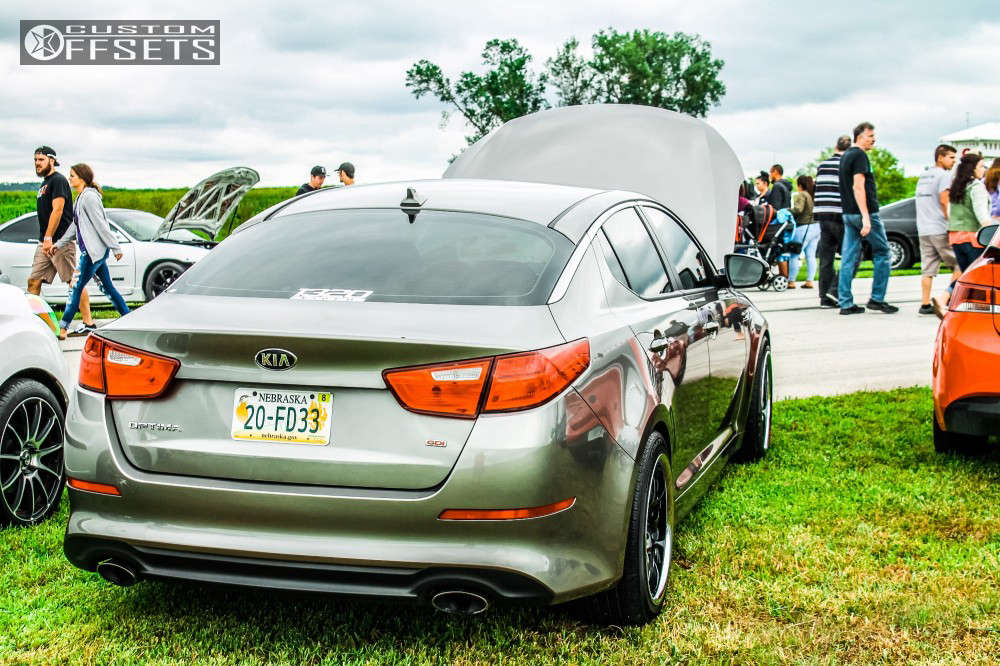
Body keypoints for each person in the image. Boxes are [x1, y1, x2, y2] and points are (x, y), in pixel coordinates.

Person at [55, 164, 130, 340]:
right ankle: (129, 318)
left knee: (75, 287)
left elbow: (101, 224)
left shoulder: (89, 198)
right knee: (108, 288)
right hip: (93, 252)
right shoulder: (81, 197)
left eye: (72, 175)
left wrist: (115, 247)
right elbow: (75, 226)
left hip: (91, 254)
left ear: (82, 178)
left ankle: (63, 327)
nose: (69, 178)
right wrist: (58, 244)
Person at [29, 146, 97, 335]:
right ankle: (33, 323)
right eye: (35, 160)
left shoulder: (58, 180)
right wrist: (45, 239)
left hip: (59, 241)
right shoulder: (45, 183)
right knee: (34, 281)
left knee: (73, 281)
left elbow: (58, 209)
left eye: (41, 160)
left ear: (51, 160)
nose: (37, 163)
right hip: (45, 242)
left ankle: (88, 323)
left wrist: (49, 237)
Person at [838, 121, 897, 315]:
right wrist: (866, 217)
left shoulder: (845, 156)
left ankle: (845, 303)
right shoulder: (859, 156)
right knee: (883, 253)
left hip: (848, 213)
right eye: (870, 136)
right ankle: (877, 299)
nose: (874, 139)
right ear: (859, 137)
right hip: (865, 213)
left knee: (848, 257)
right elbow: (858, 186)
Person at [915, 145, 961, 317]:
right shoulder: (944, 175)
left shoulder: (923, 175)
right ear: (940, 158)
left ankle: (925, 303)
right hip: (940, 228)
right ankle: (949, 300)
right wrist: (951, 222)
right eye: (951, 157)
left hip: (923, 228)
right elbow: (944, 200)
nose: (954, 161)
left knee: (928, 269)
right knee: (960, 264)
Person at [814, 135, 851, 308]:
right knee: (851, 253)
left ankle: (825, 297)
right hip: (839, 214)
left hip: (822, 214)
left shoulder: (822, 165)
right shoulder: (846, 164)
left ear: (836, 147)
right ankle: (835, 290)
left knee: (826, 257)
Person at [946, 152, 992, 275]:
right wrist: (990, 234)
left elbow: (949, 212)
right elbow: (982, 214)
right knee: (978, 277)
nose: (984, 169)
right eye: (981, 166)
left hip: (955, 237)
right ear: (972, 168)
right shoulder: (976, 187)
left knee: (966, 276)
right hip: (973, 238)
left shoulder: (956, 186)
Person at [788, 175, 818, 289]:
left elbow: (798, 209)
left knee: (794, 254)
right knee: (811, 256)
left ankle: (791, 281)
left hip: (804, 227)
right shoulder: (814, 195)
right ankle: (810, 281)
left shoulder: (803, 194)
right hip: (816, 227)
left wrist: (787, 210)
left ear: (800, 185)